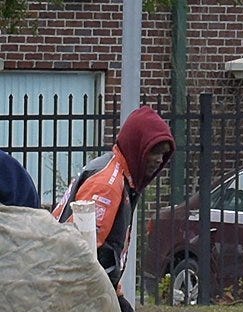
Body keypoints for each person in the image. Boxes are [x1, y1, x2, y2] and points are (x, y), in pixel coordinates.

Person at [54, 106, 172, 278]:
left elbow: (103, 253)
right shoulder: (108, 185)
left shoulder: (119, 177)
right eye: (155, 151)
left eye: (164, 154)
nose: (160, 160)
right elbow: (77, 251)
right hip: (77, 291)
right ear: (137, 146)